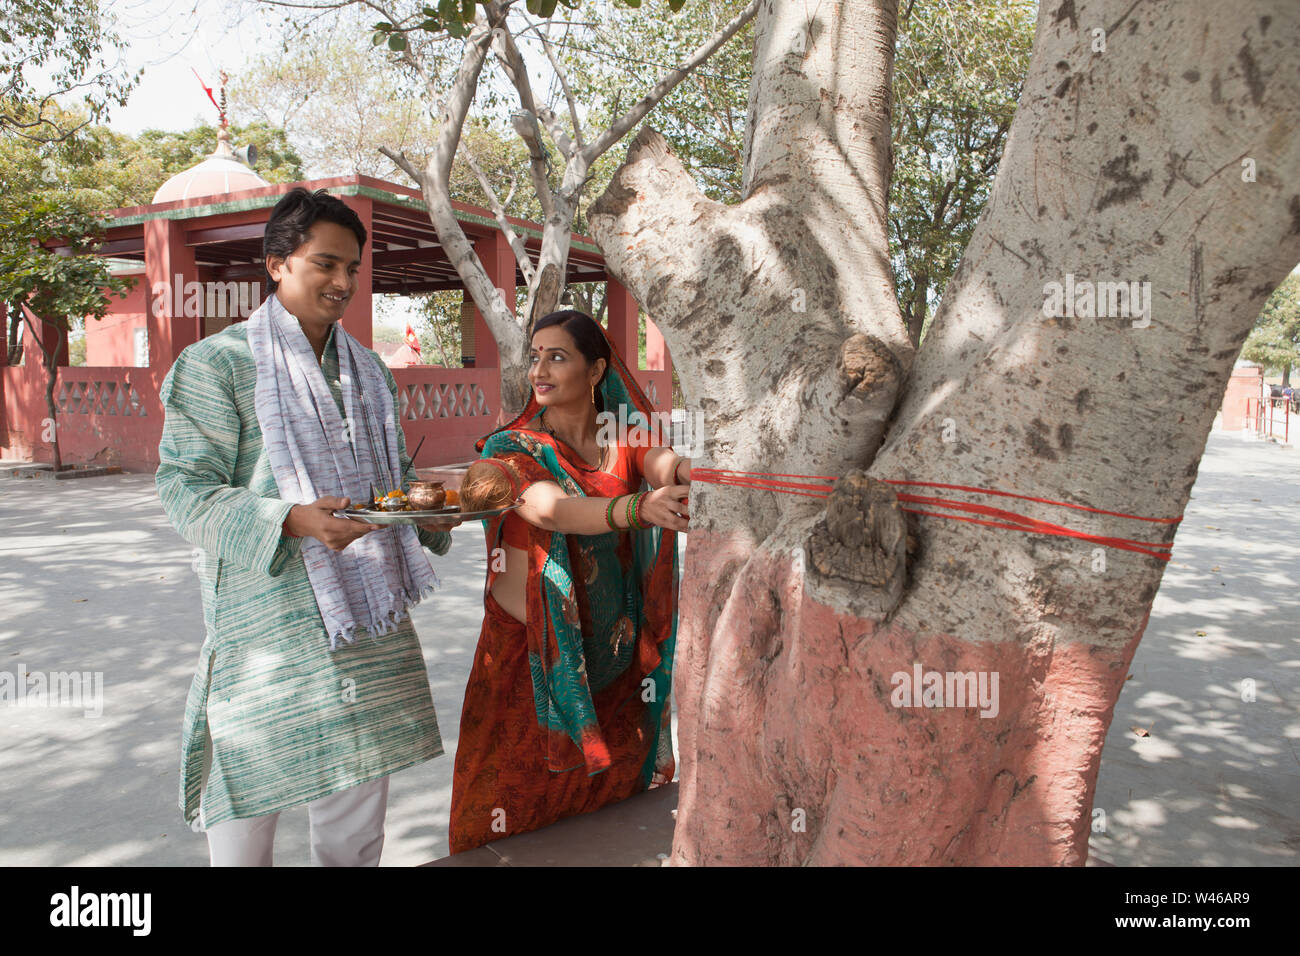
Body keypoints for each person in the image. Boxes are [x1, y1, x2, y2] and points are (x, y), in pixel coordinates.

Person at [156, 187, 461, 866]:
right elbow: (184, 490)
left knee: (354, 831)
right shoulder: (217, 365)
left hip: (364, 625)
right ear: (275, 263)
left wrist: (431, 512)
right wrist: (290, 519)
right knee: (245, 820)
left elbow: (384, 489)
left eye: (353, 268)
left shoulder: (370, 370)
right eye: (326, 264)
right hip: (267, 630)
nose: (343, 283)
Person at [448, 309, 691, 853]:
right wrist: (638, 509)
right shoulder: (515, 448)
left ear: (597, 369)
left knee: (606, 822)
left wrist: (689, 473)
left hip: (614, 666)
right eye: (536, 357)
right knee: (510, 816)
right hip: (530, 665)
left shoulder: (622, 437)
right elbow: (552, 511)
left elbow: (662, 462)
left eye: (557, 357)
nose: (540, 369)